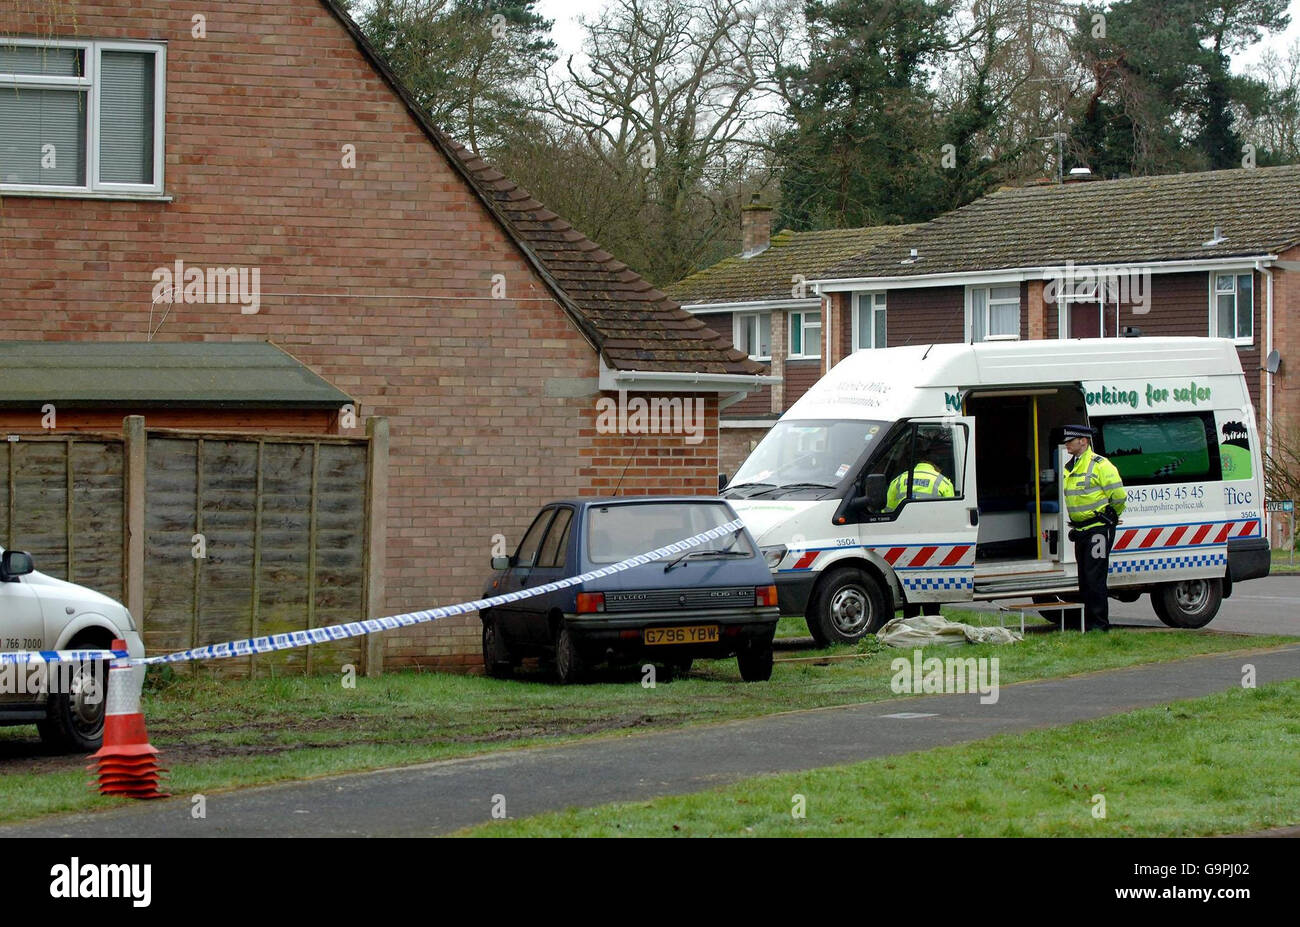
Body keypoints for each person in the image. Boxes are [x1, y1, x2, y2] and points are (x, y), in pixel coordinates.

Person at [1061, 424, 1126, 631]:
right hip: (1081, 530)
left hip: (1097, 529)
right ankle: (1089, 623)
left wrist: (1112, 515)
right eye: (1066, 441)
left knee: (1094, 577)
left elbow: (1119, 496)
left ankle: (1099, 625)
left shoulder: (1100, 465)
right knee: (1084, 578)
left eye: (1071, 440)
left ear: (1084, 441)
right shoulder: (1071, 466)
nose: (1067, 444)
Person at [885, 434, 955, 511]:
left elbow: (888, 510)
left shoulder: (899, 480)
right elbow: (950, 511)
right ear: (938, 466)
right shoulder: (943, 483)